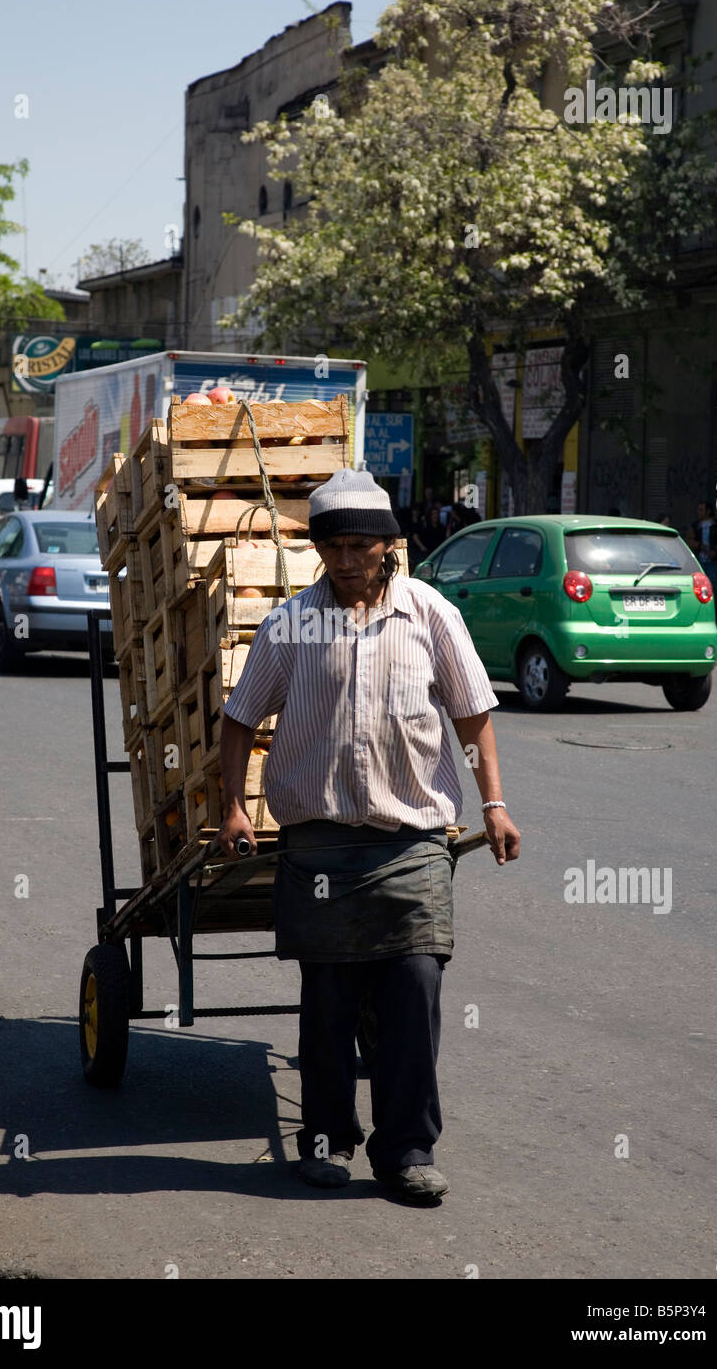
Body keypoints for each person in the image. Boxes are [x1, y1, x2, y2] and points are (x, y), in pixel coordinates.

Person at [216, 469, 520, 1206]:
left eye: (359, 546)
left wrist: (495, 804)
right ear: (317, 549)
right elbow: (239, 719)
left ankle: (407, 1149)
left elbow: (473, 716)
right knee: (328, 996)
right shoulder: (292, 623)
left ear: (389, 546)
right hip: (319, 842)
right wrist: (231, 805)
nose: (346, 561)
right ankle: (326, 1140)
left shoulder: (430, 614)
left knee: (415, 987)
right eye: (332, 547)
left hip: (412, 838)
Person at [691, 500, 717, 588]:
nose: (698, 512)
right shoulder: (695, 525)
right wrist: (699, 546)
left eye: (701, 510)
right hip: (699, 560)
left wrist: (715, 551)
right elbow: (690, 540)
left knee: (711, 584)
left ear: (708, 511)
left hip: (712, 561)